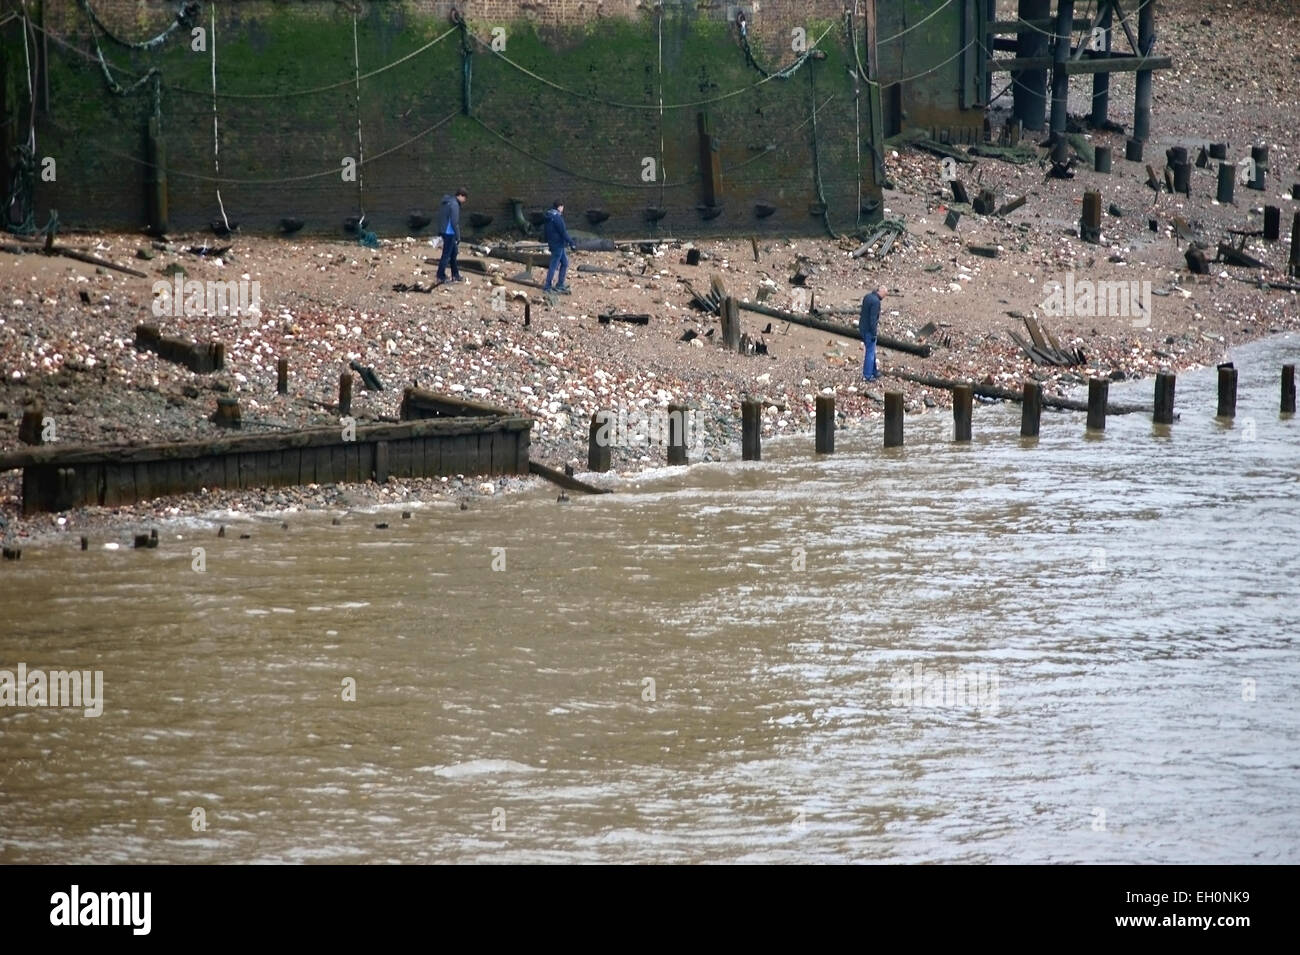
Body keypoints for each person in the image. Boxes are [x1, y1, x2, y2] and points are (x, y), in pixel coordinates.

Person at [542, 200, 578, 294]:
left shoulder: (549, 216)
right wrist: (571, 243)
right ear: (559, 207)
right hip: (558, 244)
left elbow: (546, 232)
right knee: (554, 265)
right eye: (562, 207)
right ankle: (547, 286)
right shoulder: (557, 218)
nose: (563, 209)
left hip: (555, 244)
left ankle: (560, 284)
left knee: (565, 263)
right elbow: (563, 232)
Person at [435, 187, 467, 284]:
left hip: (445, 231)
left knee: (453, 253)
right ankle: (440, 276)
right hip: (450, 233)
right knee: (446, 255)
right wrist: (458, 236)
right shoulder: (454, 204)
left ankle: (455, 274)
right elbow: (454, 222)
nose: (465, 200)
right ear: (461, 195)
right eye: (465, 198)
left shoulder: (447, 202)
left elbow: (441, 216)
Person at [859, 286, 885, 381]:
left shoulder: (867, 296)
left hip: (862, 327)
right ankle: (867, 375)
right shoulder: (876, 302)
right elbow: (873, 318)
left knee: (872, 350)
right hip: (869, 330)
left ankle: (874, 370)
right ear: (880, 292)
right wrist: (874, 333)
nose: (884, 297)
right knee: (870, 352)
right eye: (884, 294)